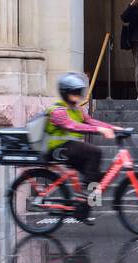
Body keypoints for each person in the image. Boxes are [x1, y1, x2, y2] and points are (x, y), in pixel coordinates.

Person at [43, 72, 125, 222]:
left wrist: (112, 127)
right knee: (94, 152)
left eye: (78, 92)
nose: (77, 95)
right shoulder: (58, 111)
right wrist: (100, 130)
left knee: (94, 166)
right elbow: (73, 126)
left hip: (69, 148)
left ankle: (85, 202)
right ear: (65, 93)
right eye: (74, 92)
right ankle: (87, 197)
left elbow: (91, 122)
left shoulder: (76, 110)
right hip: (57, 150)